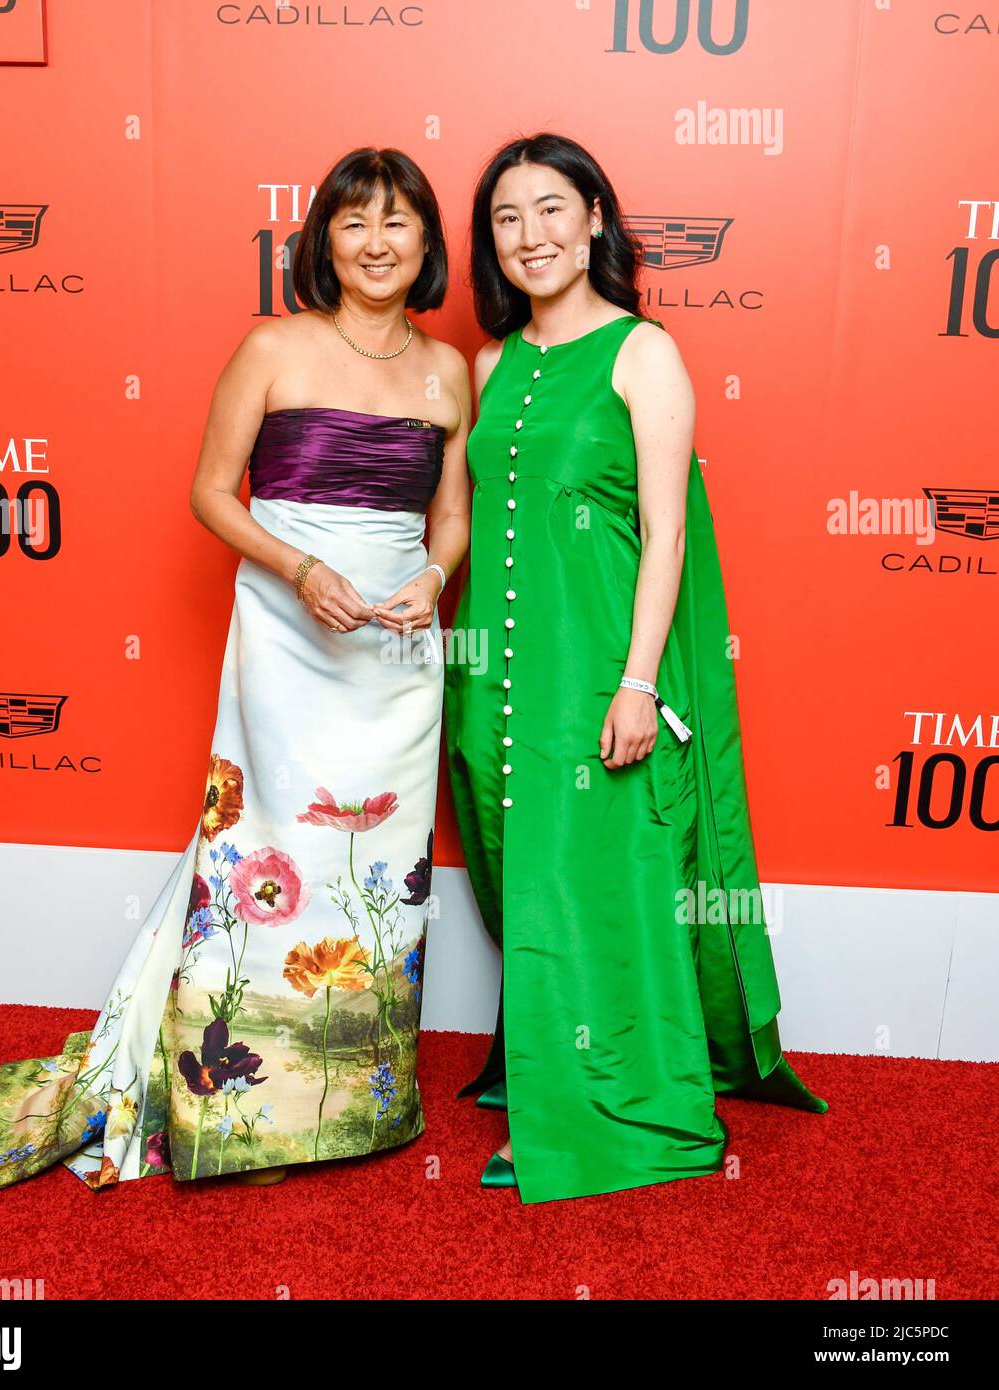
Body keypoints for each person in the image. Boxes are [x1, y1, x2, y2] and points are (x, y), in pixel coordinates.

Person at [0, 146, 471, 1190]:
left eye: (398, 222)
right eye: (354, 223)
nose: (377, 242)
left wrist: (433, 577)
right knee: (268, 853)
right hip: (289, 633)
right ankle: (230, 1103)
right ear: (321, 244)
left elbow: (452, 513)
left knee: (370, 872)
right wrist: (298, 568)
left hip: (396, 647)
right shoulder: (273, 348)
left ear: (427, 242)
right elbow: (211, 492)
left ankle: (349, 1102)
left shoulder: (447, 369)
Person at [444, 132, 827, 1204]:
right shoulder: (491, 362)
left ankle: (580, 1107)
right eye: (508, 218)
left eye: (552, 208)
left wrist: (638, 682)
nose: (532, 235)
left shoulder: (641, 353)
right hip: (497, 672)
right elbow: (475, 519)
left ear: (597, 219)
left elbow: (666, 534)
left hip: (593, 665)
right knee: (525, 877)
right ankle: (546, 1066)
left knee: (588, 884)